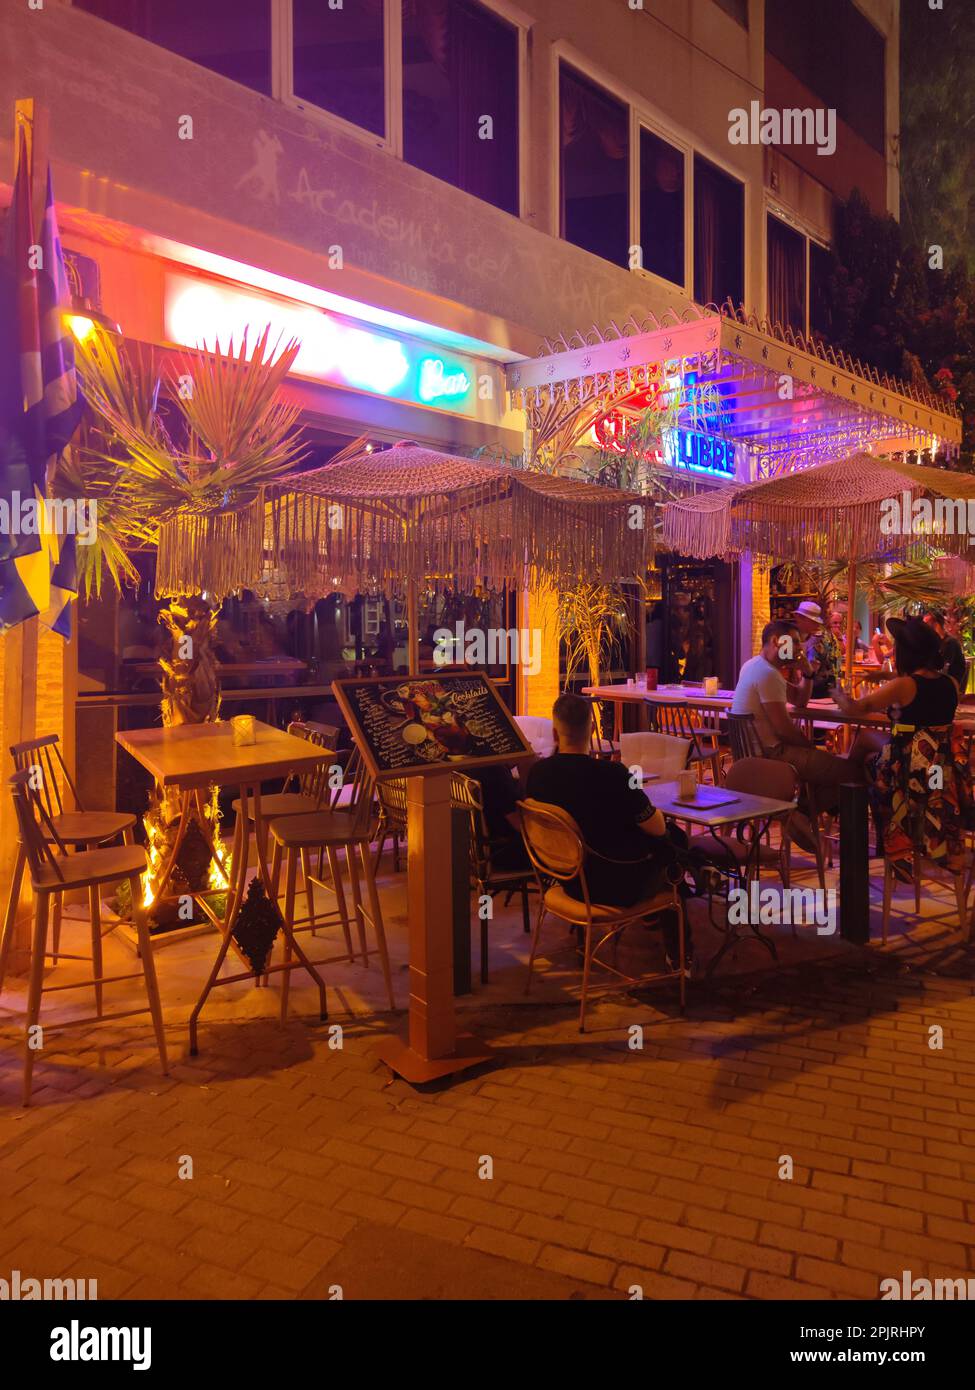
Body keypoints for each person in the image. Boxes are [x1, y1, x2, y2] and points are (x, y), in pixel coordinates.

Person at [525, 693, 693, 970]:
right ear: (591, 730)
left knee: (669, 850)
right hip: (613, 886)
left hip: (564, 879)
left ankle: (658, 916)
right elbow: (656, 826)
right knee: (673, 844)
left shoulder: (538, 774)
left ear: (555, 732)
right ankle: (680, 956)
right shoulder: (614, 774)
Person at [832, 617, 969, 870]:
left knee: (863, 750)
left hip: (906, 778)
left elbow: (855, 709)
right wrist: (887, 674)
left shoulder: (903, 686)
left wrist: (837, 693)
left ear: (906, 653)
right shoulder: (950, 684)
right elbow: (927, 685)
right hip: (940, 777)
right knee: (868, 751)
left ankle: (847, 807)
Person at [730, 619, 871, 808]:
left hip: (754, 756)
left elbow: (799, 700)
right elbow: (784, 730)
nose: (799, 648)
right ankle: (802, 810)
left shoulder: (754, 665)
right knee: (854, 773)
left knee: (834, 773)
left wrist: (808, 673)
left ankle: (801, 808)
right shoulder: (767, 674)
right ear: (776, 641)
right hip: (772, 755)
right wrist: (810, 749)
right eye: (794, 642)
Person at [796, 600, 842, 698]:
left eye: (799, 618)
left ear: (807, 619)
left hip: (815, 692)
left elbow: (811, 668)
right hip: (831, 690)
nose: (797, 622)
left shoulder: (816, 640)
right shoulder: (828, 635)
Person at [924, 609, 967, 690]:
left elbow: (942, 669)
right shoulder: (937, 643)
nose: (924, 628)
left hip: (949, 688)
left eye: (926, 624)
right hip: (942, 684)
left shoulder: (950, 643)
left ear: (936, 624)